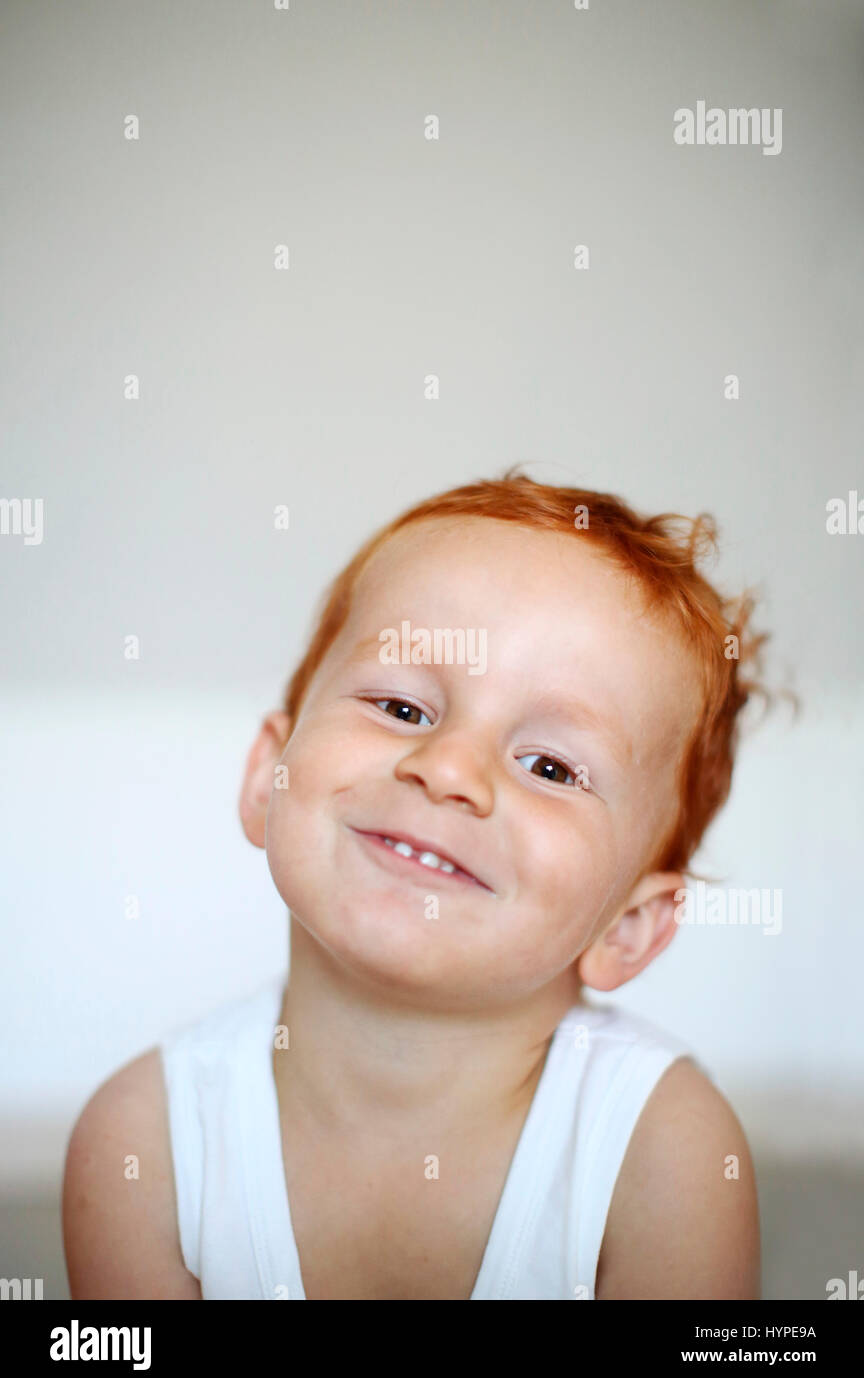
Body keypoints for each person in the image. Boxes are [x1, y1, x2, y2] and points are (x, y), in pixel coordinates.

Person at [63, 469, 766, 1299]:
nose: (448, 770)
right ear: (268, 779)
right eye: (402, 708)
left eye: (549, 766)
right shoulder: (144, 1147)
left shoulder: (665, 1154)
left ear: (629, 928)